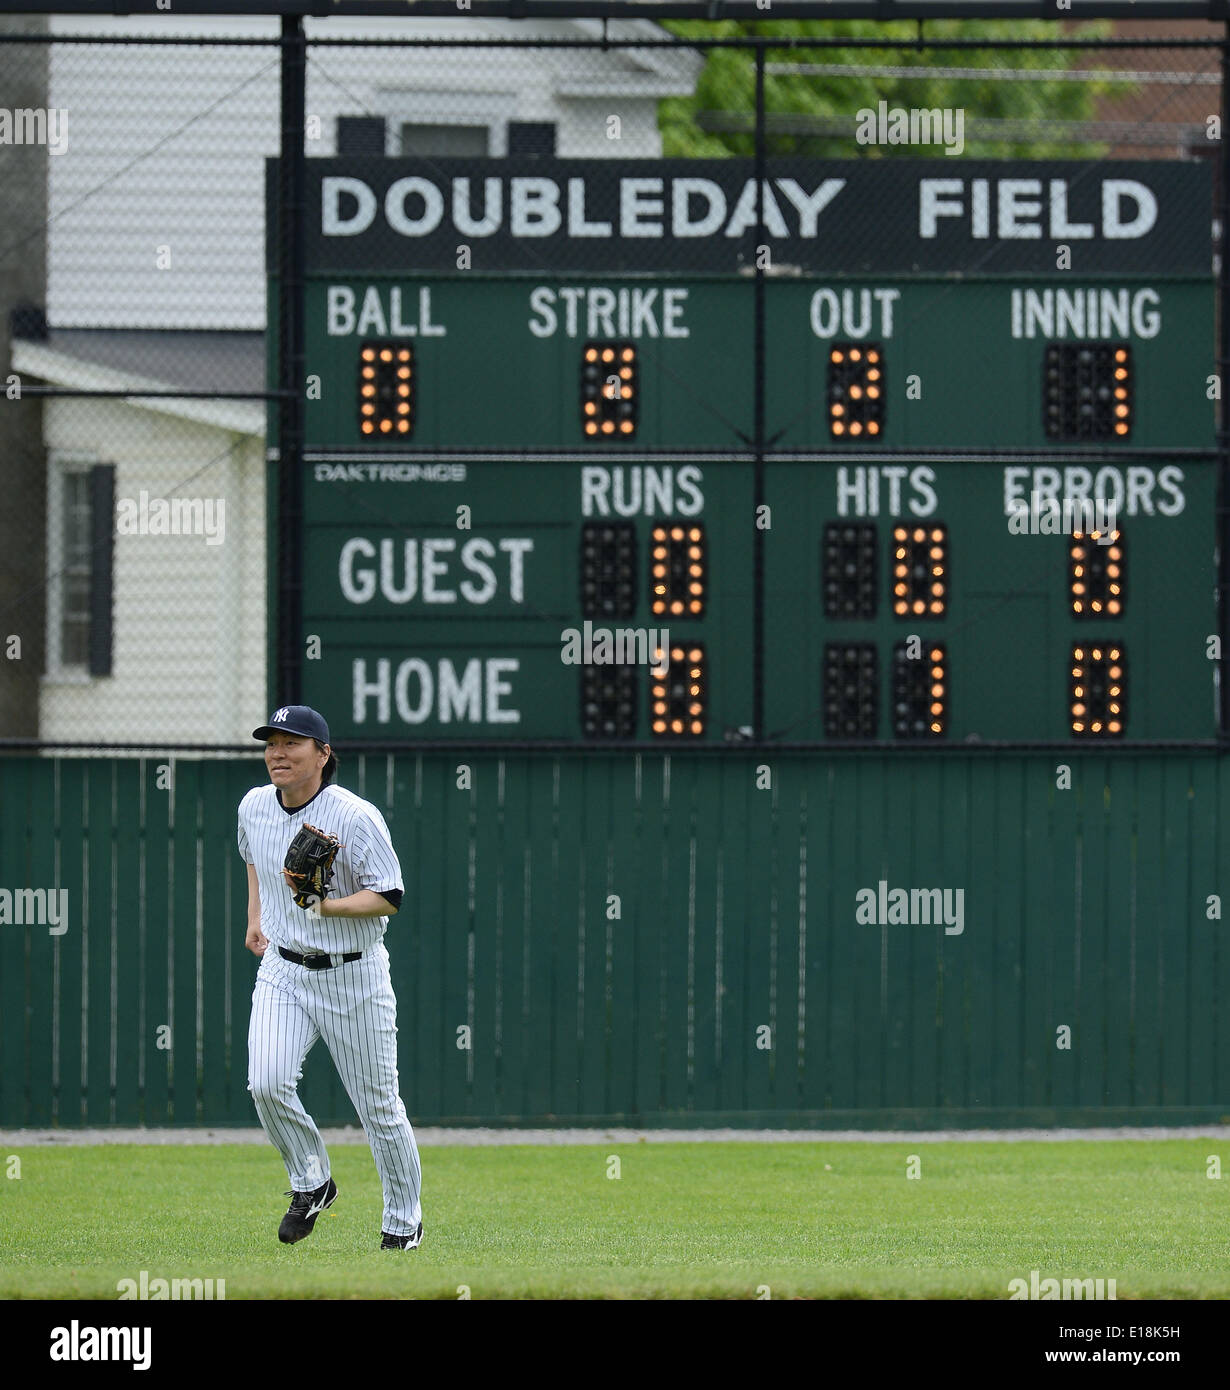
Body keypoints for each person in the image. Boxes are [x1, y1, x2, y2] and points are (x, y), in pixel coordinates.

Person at [237, 704, 423, 1250]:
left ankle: (402, 1222)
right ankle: (312, 1181)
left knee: (379, 1108)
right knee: (266, 1082)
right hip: (283, 968)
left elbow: (389, 896)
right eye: (271, 743)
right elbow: (254, 857)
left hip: (352, 975)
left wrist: (326, 906)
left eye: (292, 743)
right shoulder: (253, 806)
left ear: (322, 754)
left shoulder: (355, 815)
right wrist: (255, 918)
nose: (278, 753)